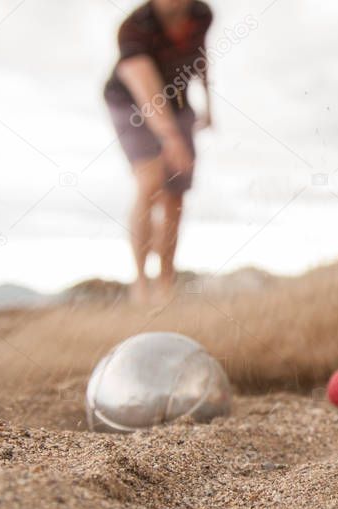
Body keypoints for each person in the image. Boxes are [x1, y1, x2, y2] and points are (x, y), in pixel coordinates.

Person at [104, 0, 214, 304]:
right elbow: (146, 88)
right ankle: (141, 284)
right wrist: (171, 138)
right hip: (131, 102)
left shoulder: (201, 14)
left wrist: (209, 104)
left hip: (178, 102)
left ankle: (166, 282)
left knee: (175, 194)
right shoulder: (134, 27)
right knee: (151, 181)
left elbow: (201, 57)